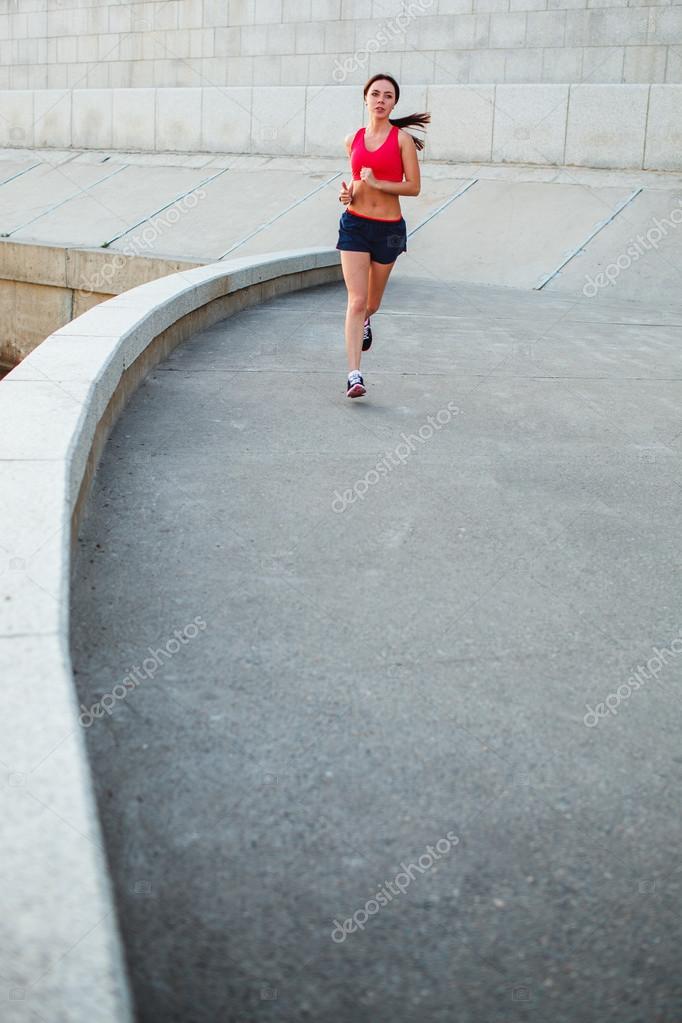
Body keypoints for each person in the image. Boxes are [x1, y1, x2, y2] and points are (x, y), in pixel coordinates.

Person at [336, 73, 430, 398]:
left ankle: (365, 321)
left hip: (389, 231)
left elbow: (414, 187)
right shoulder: (353, 139)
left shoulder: (402, 140)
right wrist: (347, 195)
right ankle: (354, 374)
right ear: (365, 99)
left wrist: (378, 183)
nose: (380, 100)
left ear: (393, 103)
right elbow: (353, 180)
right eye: (375, 94)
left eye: (387, 96)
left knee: (372, 303)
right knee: (356, 300)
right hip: (355, 225)